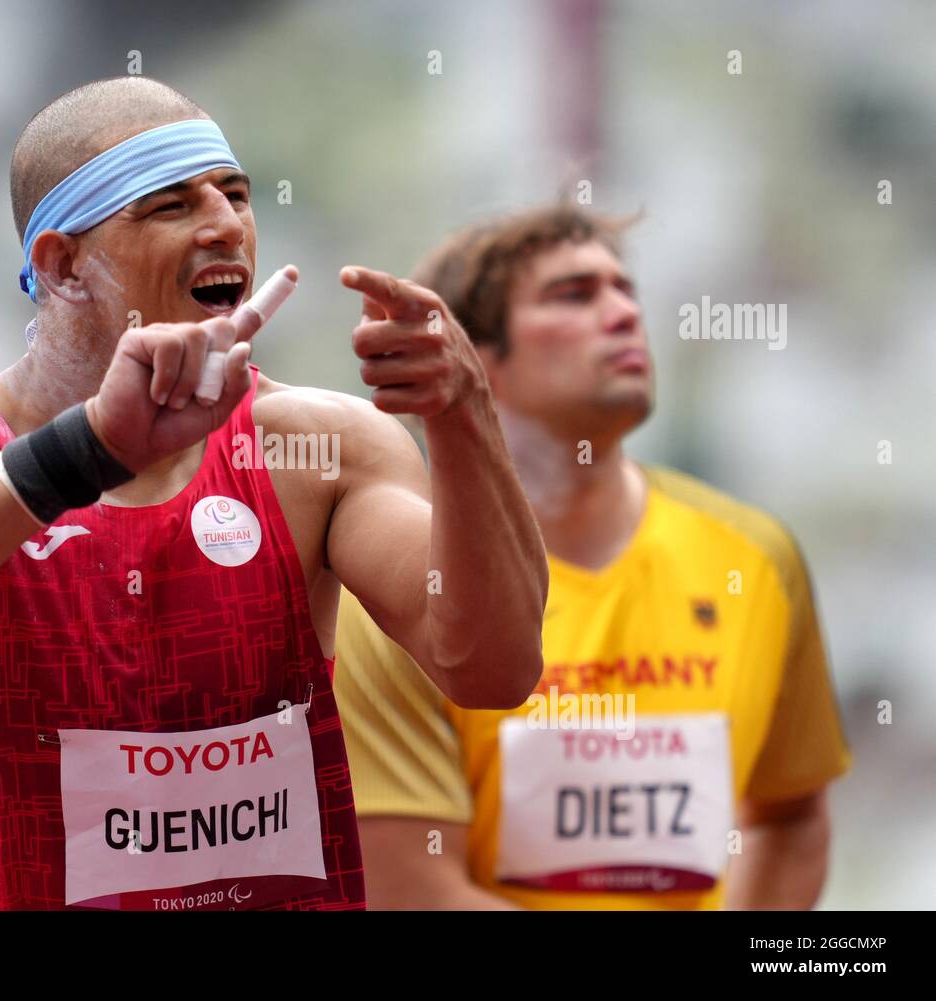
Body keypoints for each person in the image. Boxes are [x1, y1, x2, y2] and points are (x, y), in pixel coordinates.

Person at [0, 77, 547, 910]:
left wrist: (465, 414)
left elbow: (491, 665)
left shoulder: (315, 449)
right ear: (62, 265)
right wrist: (87, 450)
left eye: (236, 194)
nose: (224, 225)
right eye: (168, 205)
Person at [334, 202, 851, 910]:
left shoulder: (756, 557)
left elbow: (790, 817)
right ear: (472, 358)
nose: (622, 313)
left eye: (625, 290)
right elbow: (410, 889)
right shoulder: (400, 593)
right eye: (573, 295)